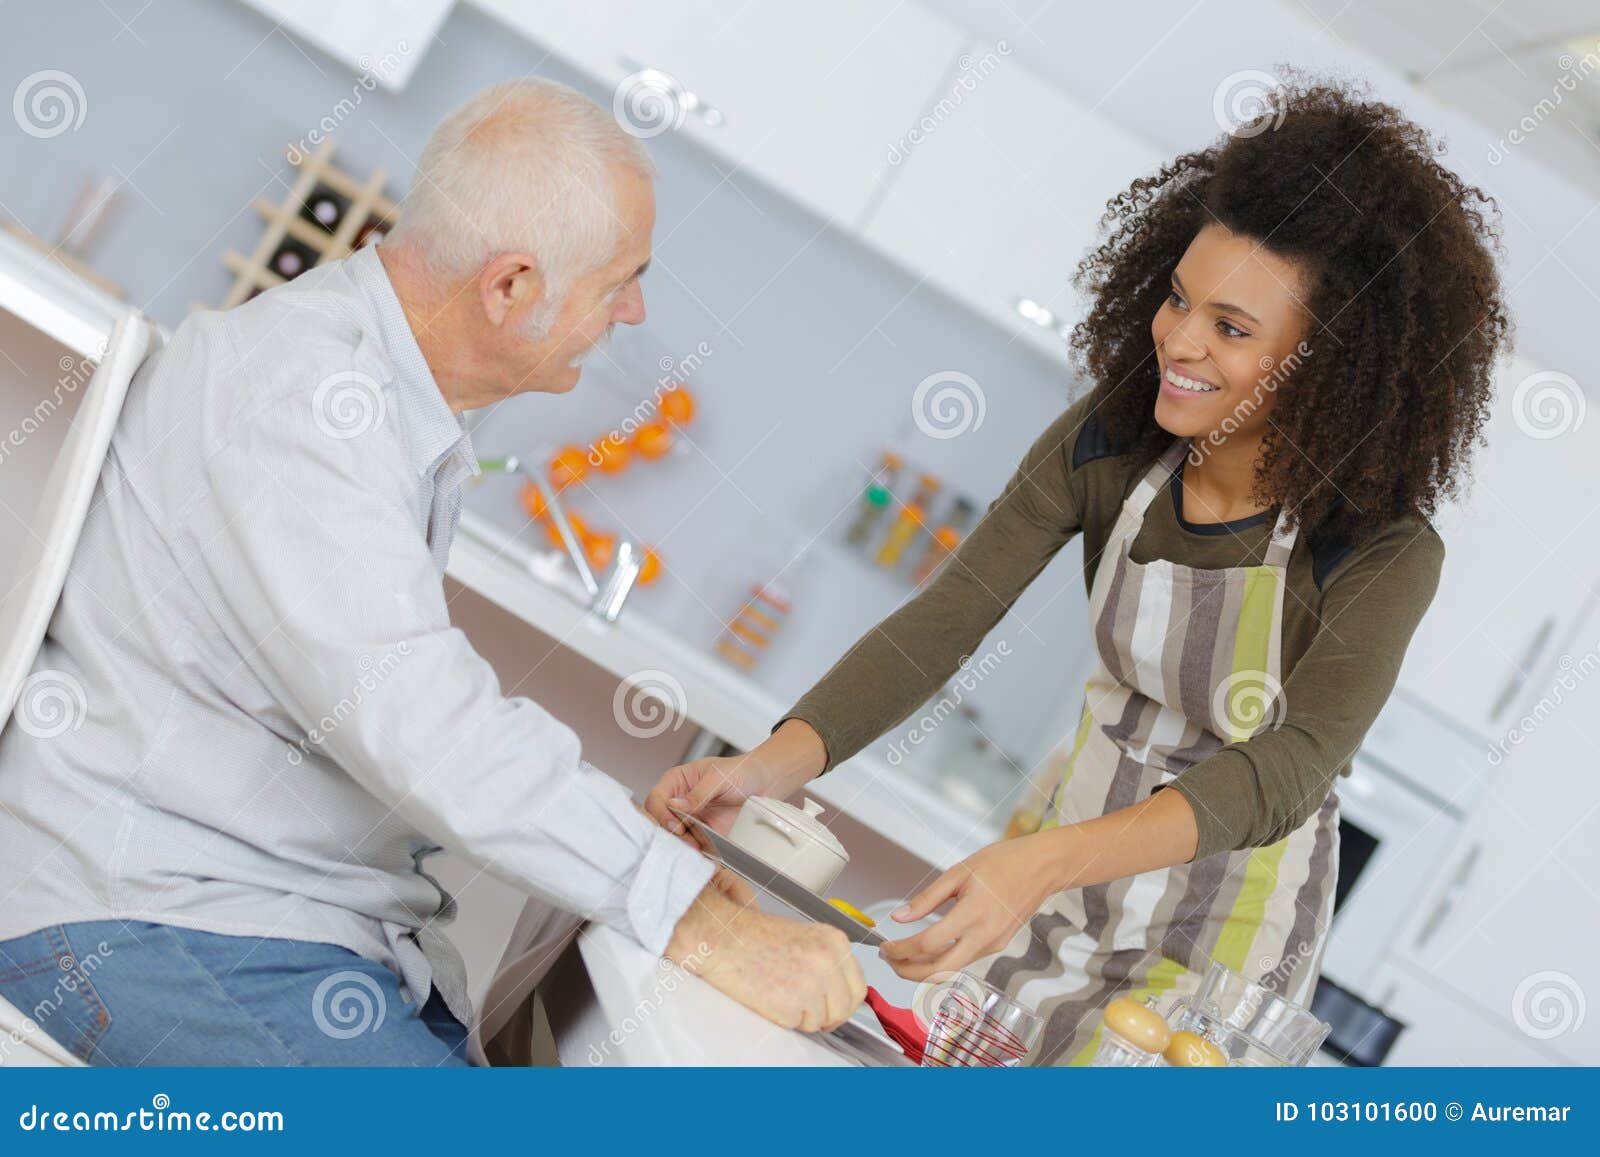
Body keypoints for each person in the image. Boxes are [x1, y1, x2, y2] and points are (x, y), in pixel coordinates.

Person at [648, 73, 1510, 1065]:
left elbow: (1288, 768)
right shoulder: (1111, 442)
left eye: (1231, 328)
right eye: (1178, 299)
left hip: (1224, 942)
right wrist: (763, 767)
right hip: (1057, 867)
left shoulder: (1379, 549)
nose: (1179, 339)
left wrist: (1044, 863)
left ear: (1327, 363)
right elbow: (947, 618)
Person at [0, 78, 863, 1067]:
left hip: (235, 913)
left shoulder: (359, 384)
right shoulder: (310, 400)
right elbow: (424, 723)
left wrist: (626, 848)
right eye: (618, 282)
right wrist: (695, 919)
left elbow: (412, 720)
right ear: (510, 287)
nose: (632, 310)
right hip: (147, 915)